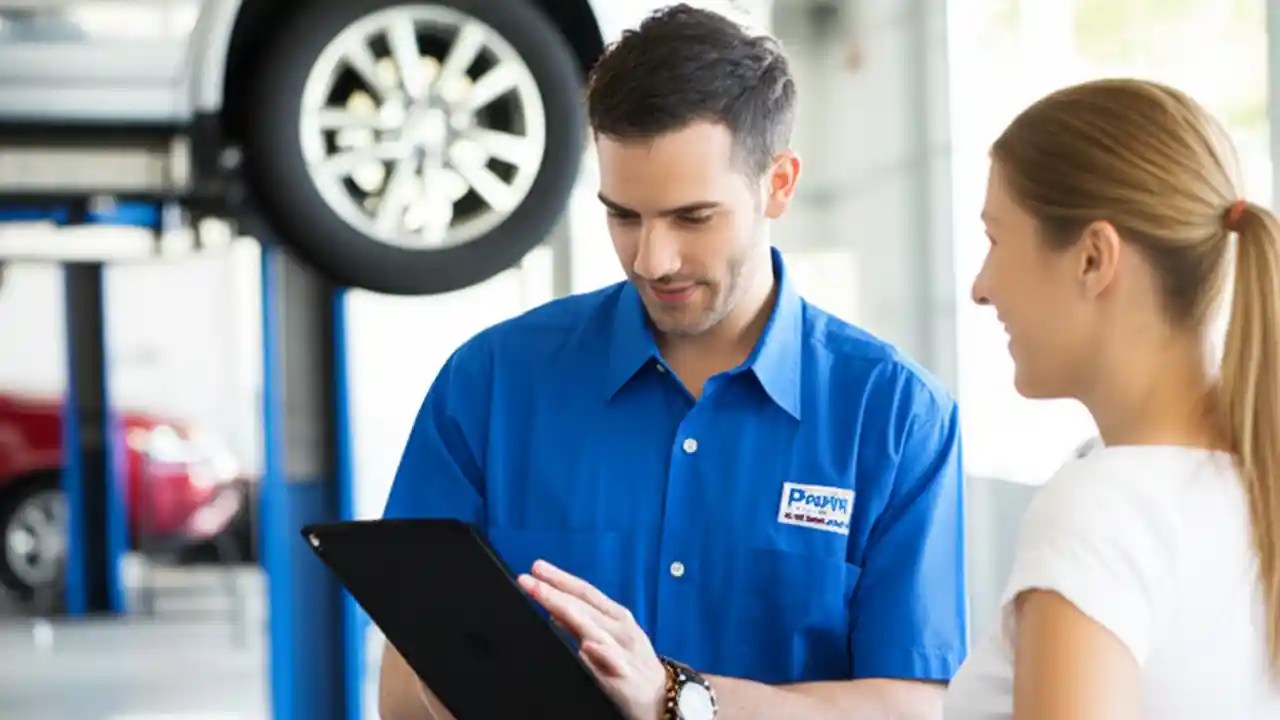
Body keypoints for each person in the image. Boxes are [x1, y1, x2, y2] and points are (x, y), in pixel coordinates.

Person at [377, 5, 968, 719]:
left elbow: (906, 710)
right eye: (623, 215)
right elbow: (400, 693)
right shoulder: (488, 386)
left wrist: (674, 698)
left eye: (693, 218)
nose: (652, 260)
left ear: (778, 184)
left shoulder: (895, 417)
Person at [943, 78, 1280, 718]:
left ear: (1093, 258)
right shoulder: (1253, 481)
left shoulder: (1104, 508)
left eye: (995, 238)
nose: (981, 289)